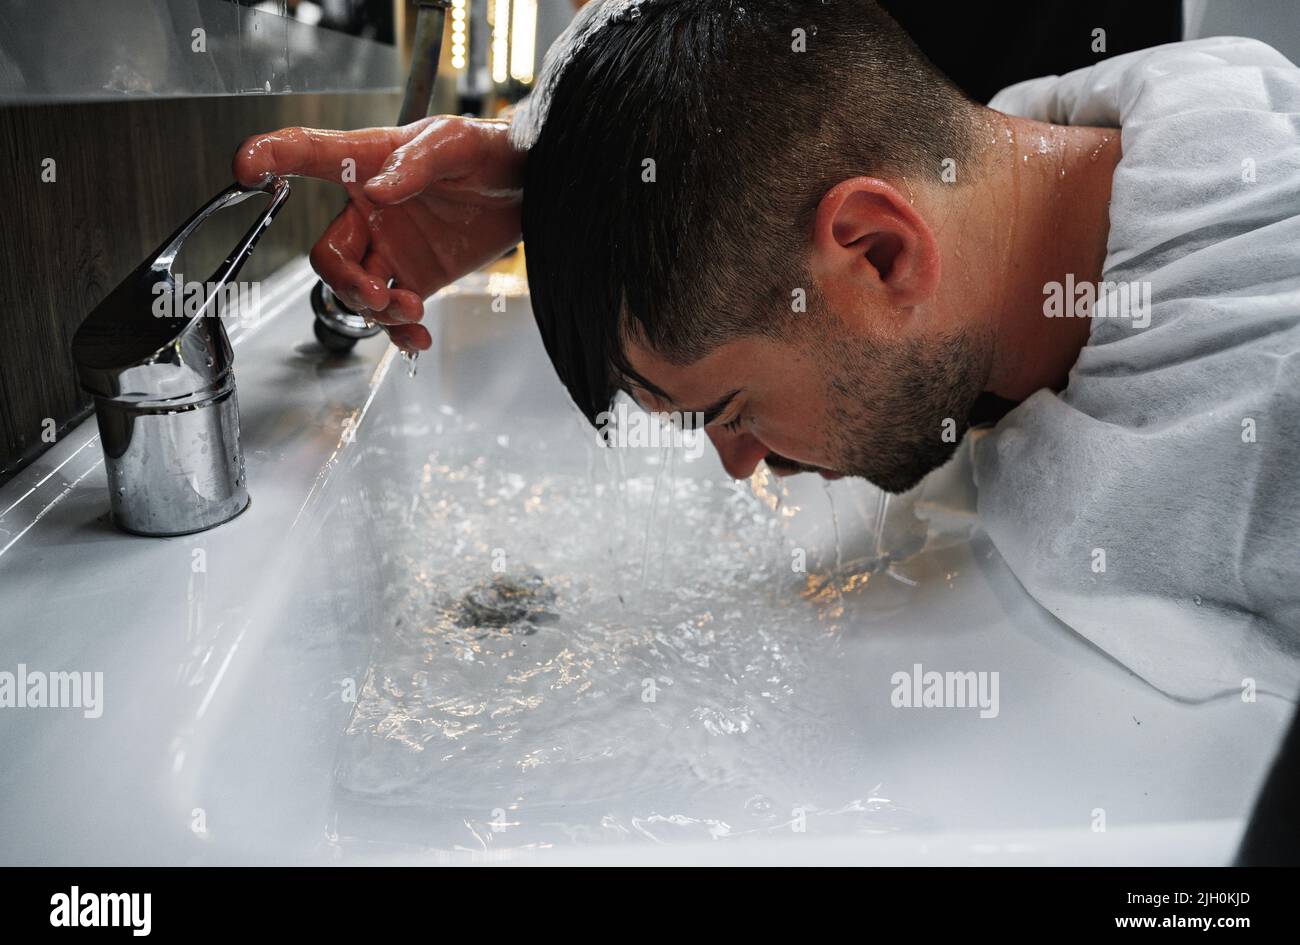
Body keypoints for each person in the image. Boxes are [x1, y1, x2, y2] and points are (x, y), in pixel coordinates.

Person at [235, 0, 1300, 699]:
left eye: (727, 408)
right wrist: (559, 173)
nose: (741, 464)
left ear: (878, 253)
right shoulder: (1038, 205)